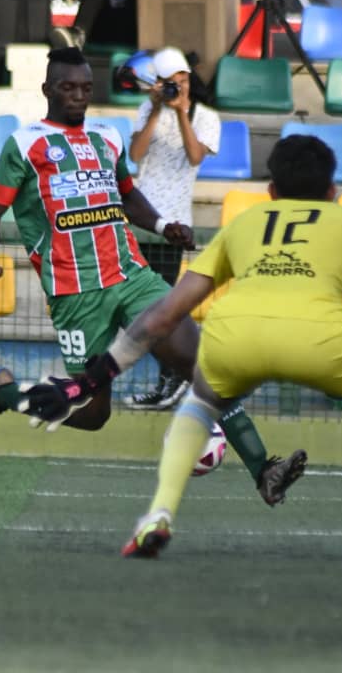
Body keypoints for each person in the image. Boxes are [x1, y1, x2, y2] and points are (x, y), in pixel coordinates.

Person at [18, 135, 342, 565]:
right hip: (327, 344)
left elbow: (163, 316)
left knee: (200, 400)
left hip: (237, 338)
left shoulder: (243, 225)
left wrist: (86, 382)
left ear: (269, 190)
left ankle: (158, 515)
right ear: (333, 191)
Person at [0, 47, 296, 506]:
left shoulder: (107, 136)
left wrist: (163, 226)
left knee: (202, 364)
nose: (79, 96)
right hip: (75, 292)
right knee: (93, 412)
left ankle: (264, 469)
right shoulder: (24, 144)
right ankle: (2, 394)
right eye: (68, 88)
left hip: (132, 274)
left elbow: (126, 195)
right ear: (47, 90)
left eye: (85, 88)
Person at [123, 46, 220, 411]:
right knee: (137, 310)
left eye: (181, 82)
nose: (177, 88)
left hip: (173, 225)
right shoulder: (148, 109)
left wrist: (181, 113)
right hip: (141, 219)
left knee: (160, 308)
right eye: (169, 83)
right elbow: (135, 155)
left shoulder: (205, 116)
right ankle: (172, 377)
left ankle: (174, 378)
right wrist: (156, 110)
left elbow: (195, 156)